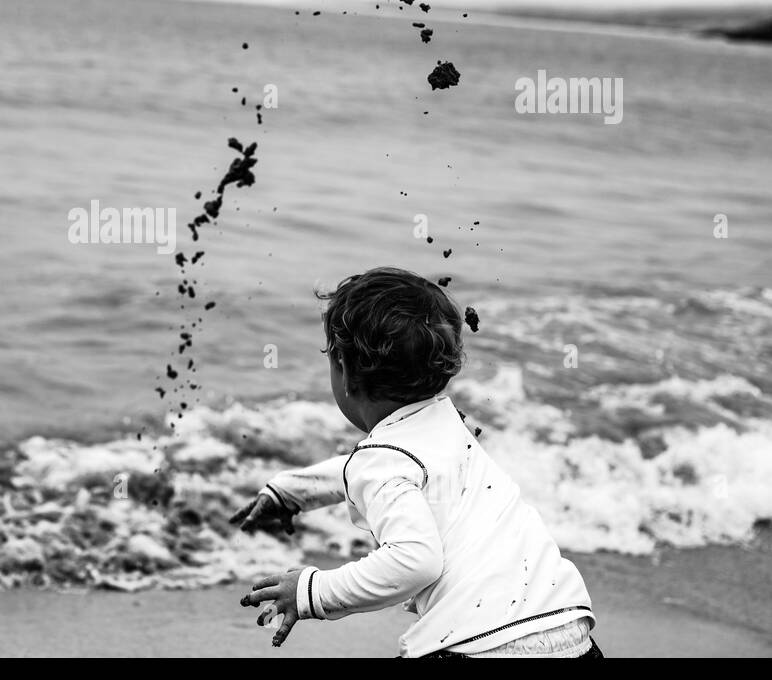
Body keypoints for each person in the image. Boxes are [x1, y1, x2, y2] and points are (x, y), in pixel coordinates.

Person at [232, 267, 601, 658]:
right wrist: (291, 491)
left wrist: (311, 592)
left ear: (343, 369)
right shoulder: (451, 425)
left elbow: (415, 562)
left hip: (480, 646)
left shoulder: (381, 462)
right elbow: (374, 469)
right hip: (565, 625)